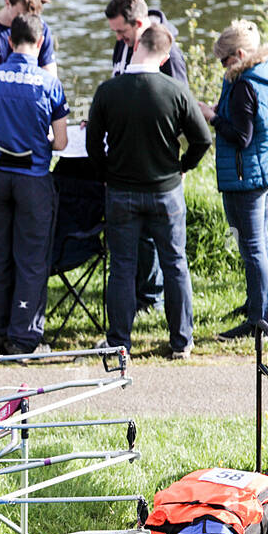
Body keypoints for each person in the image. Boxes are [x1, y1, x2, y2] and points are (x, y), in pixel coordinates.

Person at [86, 23, 212, 359]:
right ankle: (181, 342)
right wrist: (183, 166)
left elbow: (92, 143)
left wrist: (105, 174)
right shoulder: (175, 90)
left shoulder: (108, 91)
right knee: (175, 264)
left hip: (121, 191)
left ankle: (118, 341)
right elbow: (203, 139)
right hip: (166, 191)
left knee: (122, 266)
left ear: (137, 45)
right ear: (166, 54)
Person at [0, 14, 69, 355]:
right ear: (40, 44)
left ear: (10, 42)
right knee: (32, 258)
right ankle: (23, 338)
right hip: (33, 181)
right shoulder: (49, 84)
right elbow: (61, 143)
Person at [198, 19, 268, 341]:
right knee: (260, 242)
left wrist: (212, 117)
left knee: (252, 247)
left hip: (249, 176)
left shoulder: (243, 84)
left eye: (224, 61)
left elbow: (241, 136)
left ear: (239, 54)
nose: (222, 67)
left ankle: (260, 322)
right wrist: (225, 111)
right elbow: (263, 117)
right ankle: (257, 304)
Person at [105, 0, 188, 313]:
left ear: (139, 24)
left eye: (122, 32)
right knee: (135, 238)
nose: (118, 38)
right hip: (125, 158)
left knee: (158, 238)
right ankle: (142, 294)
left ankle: (151, 296)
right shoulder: (124, 44)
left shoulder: (171, 55)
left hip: (157, 163)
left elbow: (182, 113)